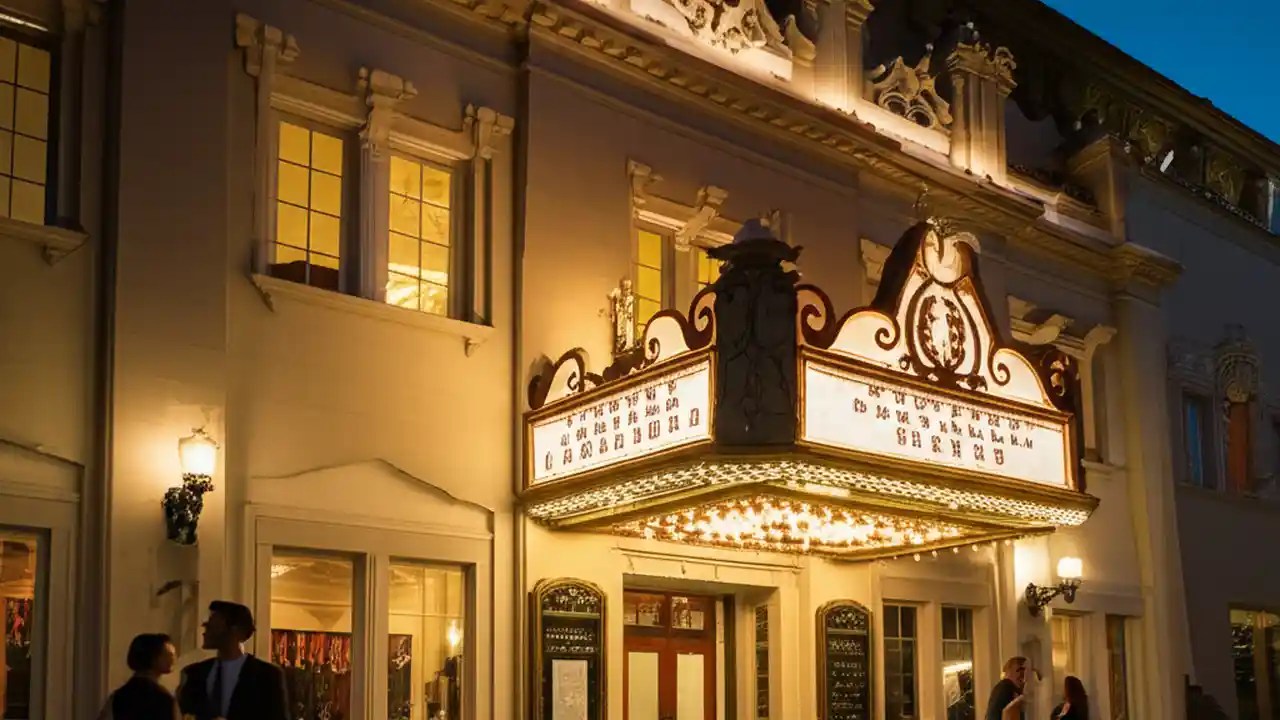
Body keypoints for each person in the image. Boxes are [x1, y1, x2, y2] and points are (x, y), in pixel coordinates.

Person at [177, 601, 288, 720]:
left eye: (214, 621)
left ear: (235, 629)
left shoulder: (267, 675)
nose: (206, 626)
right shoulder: (193, 673)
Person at [97, 633, 182, 720]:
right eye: (168, 654)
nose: (173, 659)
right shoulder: (164, 699)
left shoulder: (117, 697)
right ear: (153, 657)